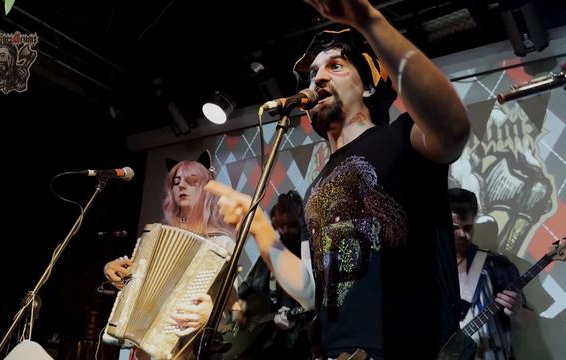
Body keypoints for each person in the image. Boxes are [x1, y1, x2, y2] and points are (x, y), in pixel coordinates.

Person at [205, 0, 471, 359]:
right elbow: (313, 290)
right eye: (314, 71)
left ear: (369, 87)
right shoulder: (316, 188)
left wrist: (367, 20)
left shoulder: (401, 138)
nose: (317, 78)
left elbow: (453, 129)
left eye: (336, 66)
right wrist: (259, 230)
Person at [103, 150, 235, 357]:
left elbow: (233, 310)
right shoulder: (154, 237)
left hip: (186, 349)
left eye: (192, 181)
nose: (181, 186)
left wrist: (210, 318)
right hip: (136, 348)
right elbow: (134, 285)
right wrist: (113, 272)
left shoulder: (221, 244)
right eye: (176, 181)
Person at [448, 187, 532, 359]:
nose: (463, 234)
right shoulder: (427, 269)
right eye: (455, 227)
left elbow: (526, 321)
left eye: (468, 228)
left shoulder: (498, 266)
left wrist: (518, 313)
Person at [228, 191, 312, 359]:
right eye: (277, 226)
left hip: (290, 350)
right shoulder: (268, 257)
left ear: (300, 223)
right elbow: (246, 288)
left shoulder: (307, 258)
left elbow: (313, 305)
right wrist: (237, 308)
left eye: (287, 225)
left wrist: (296, 323)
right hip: (258, 346)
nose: (281, 231)